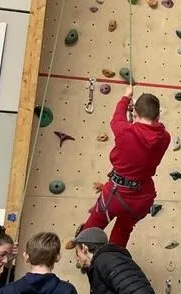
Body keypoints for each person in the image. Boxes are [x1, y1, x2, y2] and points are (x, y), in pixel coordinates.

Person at [72, 85, 170, 248]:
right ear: (158, 116)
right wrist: (135, 117)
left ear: (135, 113)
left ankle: (85, 254)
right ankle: (113, 262)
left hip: (116, 194)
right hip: (142, 198)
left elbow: (117, 118)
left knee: (91, 229)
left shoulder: (125, 131)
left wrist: (126, 97)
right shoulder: (165, 137)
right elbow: (148, 132)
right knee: (122, 233)